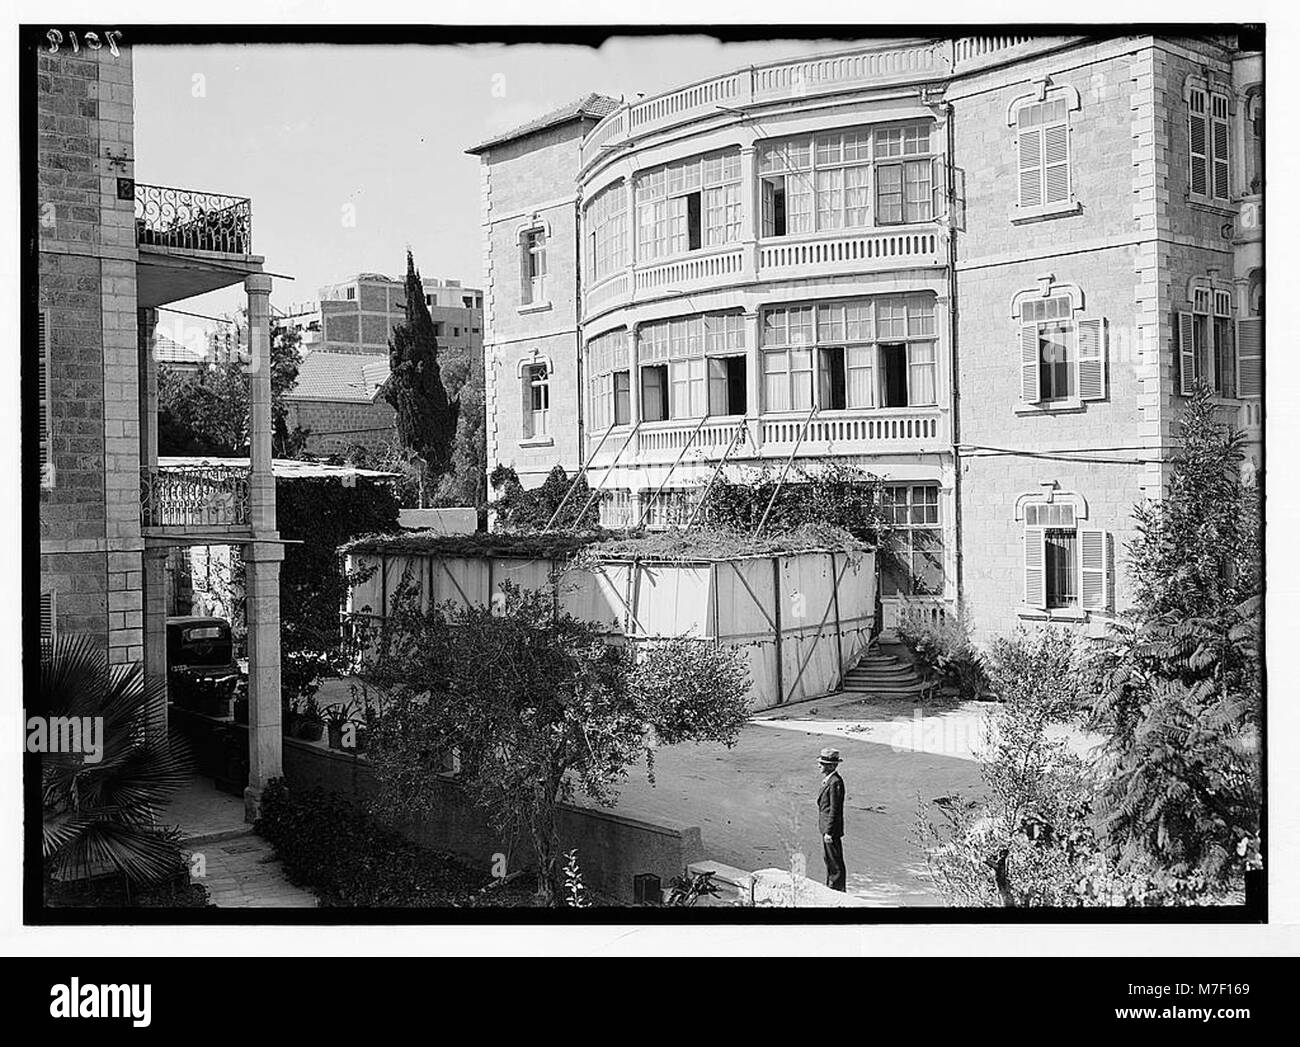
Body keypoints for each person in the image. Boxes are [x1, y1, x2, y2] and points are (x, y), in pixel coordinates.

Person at [817, 747, 846, 891]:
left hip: (831, 829)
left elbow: (835, 809)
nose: (819, 766)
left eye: (822, 764)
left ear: (831, 766)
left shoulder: (835, 782)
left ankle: (837, 888)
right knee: (828, 858)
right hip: (827, 827)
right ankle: (832, 885)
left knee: (834, 860)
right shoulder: (829, 780)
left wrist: (829, 831)